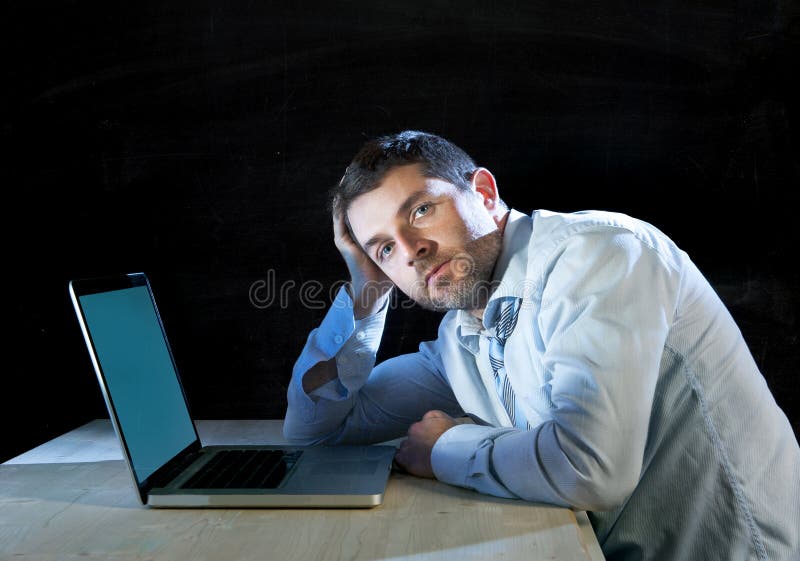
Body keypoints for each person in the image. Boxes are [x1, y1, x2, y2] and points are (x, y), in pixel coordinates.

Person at [283, 130, 799, 560]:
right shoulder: (461, 344)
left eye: (420, 211)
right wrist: (365, 290)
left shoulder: (599, 257)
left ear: (484, 192)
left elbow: (592, 467)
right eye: (385, 248)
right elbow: (317, 431)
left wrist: (444, 447)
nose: (411, 252)